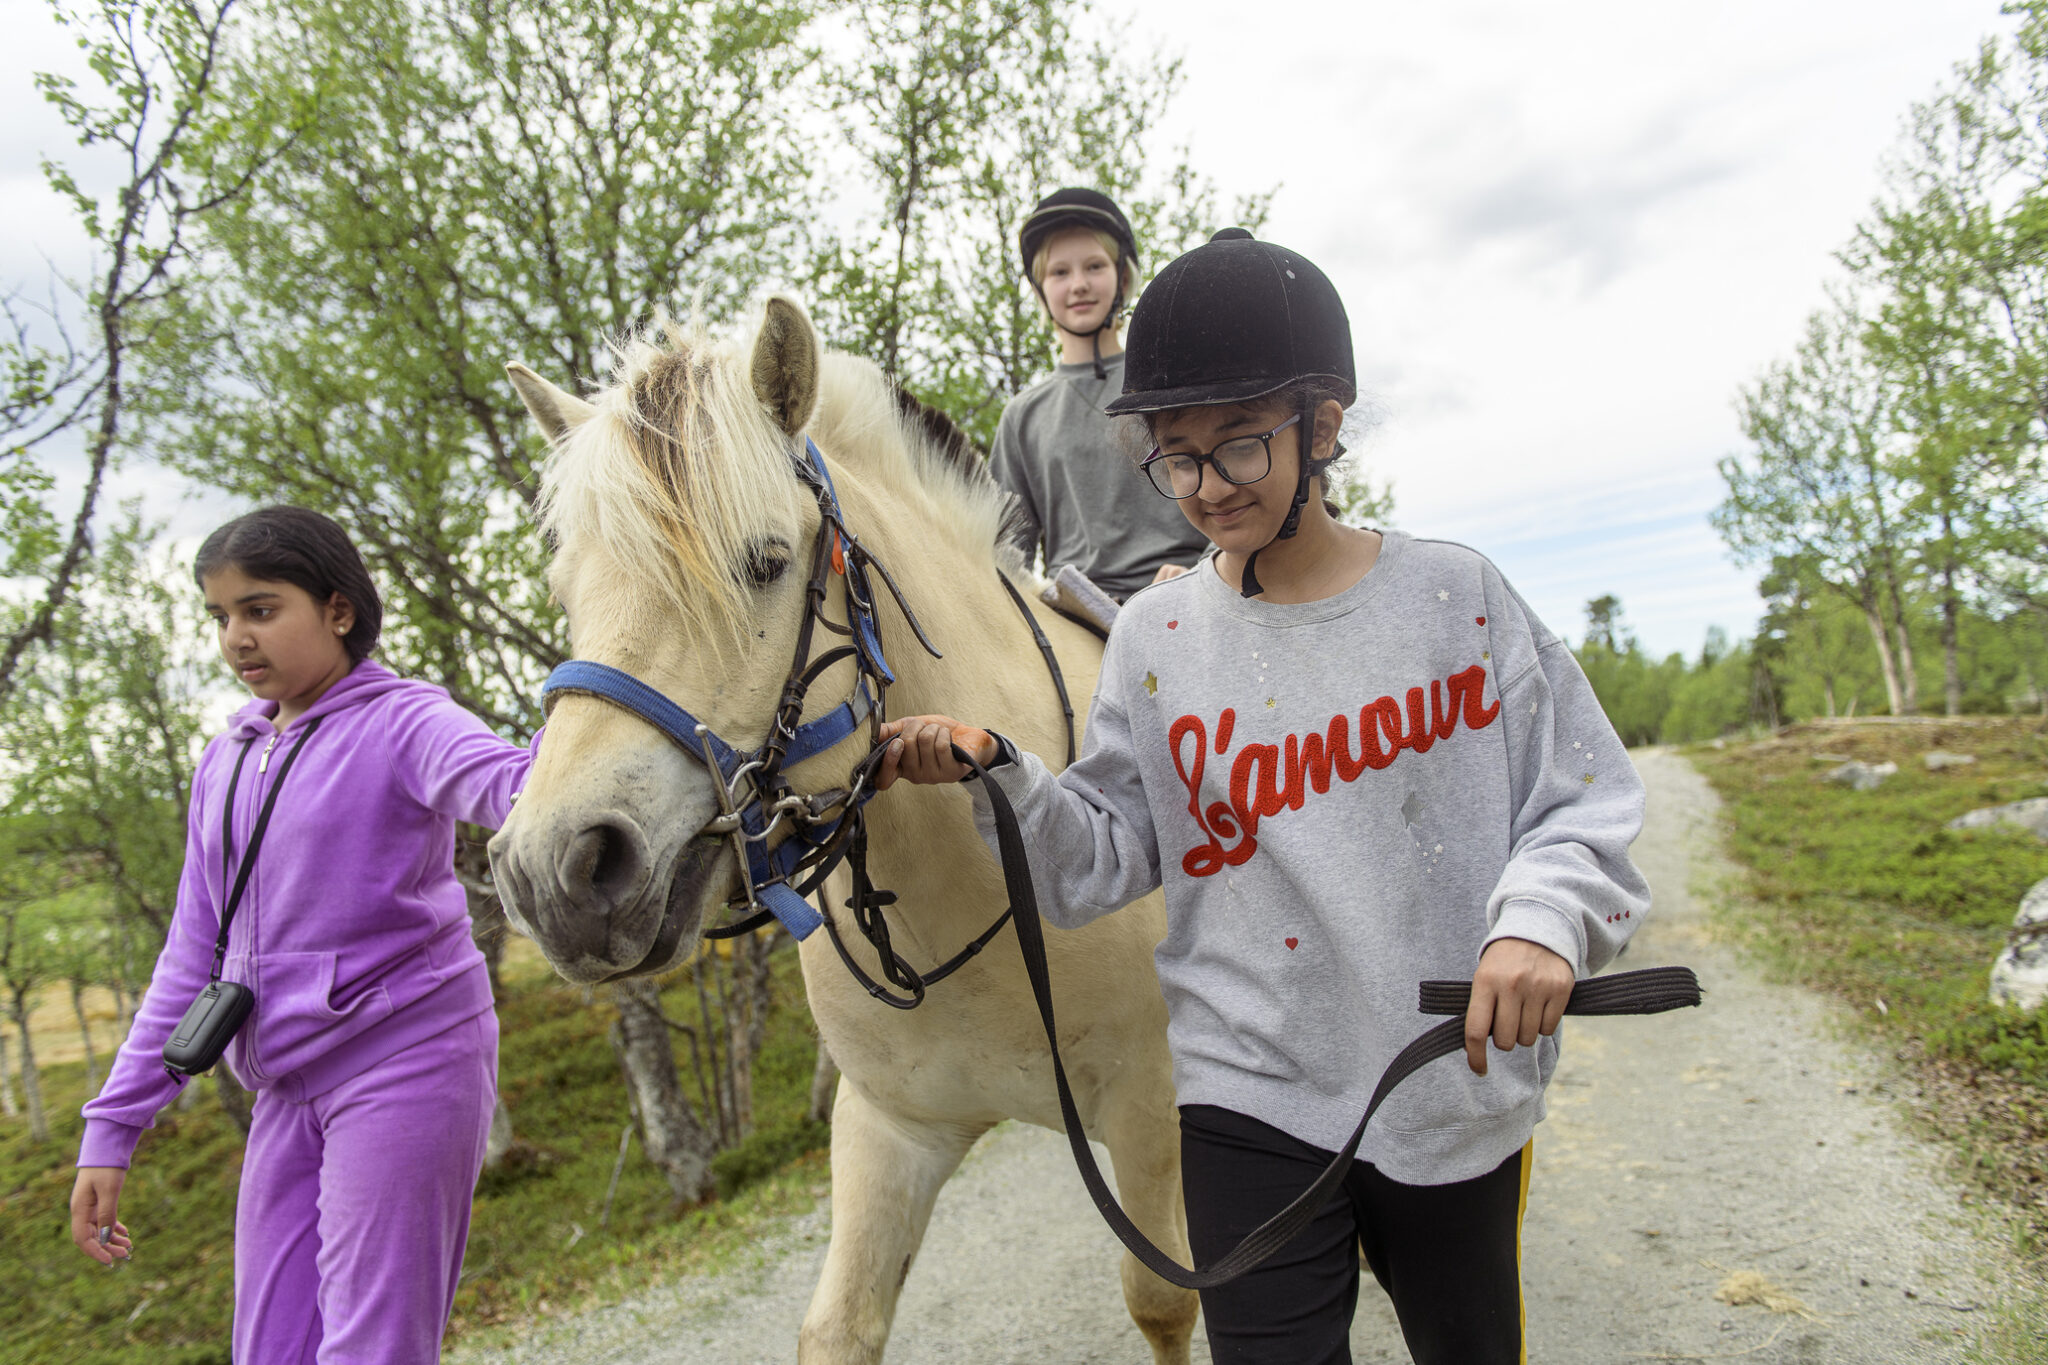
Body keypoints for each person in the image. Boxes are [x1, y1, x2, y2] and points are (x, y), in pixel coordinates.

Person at [877, 229, 1651, 1364]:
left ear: (1321, 425)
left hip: (1442, 1077)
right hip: (1248, 1099)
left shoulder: (1456, 601)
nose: (1202, 488)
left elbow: (1582, 800)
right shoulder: (1152, 638)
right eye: (1173, 456)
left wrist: (1538, 925)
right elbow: (1097, 859)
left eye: (1235, 447)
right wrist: (1001, 774)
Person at [68, 506, 537, 1364]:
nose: (236, 637)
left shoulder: (406, 721)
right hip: (283, 1087)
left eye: (260, 607)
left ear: (338, 610)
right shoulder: (228, 758)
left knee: (371, 1347)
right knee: (271, 1347)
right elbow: (190, 955)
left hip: (408, 1060)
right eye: (219, 616)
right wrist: (114, 1127)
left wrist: (601, 724)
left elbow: (519, 789)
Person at [989, 187, 1211, 601]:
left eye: (1094, 266)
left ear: (1122, 276)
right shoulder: (1023, 416)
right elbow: (1004, 555)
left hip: (1187, 596)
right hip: (1074, 617)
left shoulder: (1173, 380)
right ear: (1040, 289)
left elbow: (1229, 485)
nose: (1078, 285)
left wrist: (1211, 569)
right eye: (1059, 272)